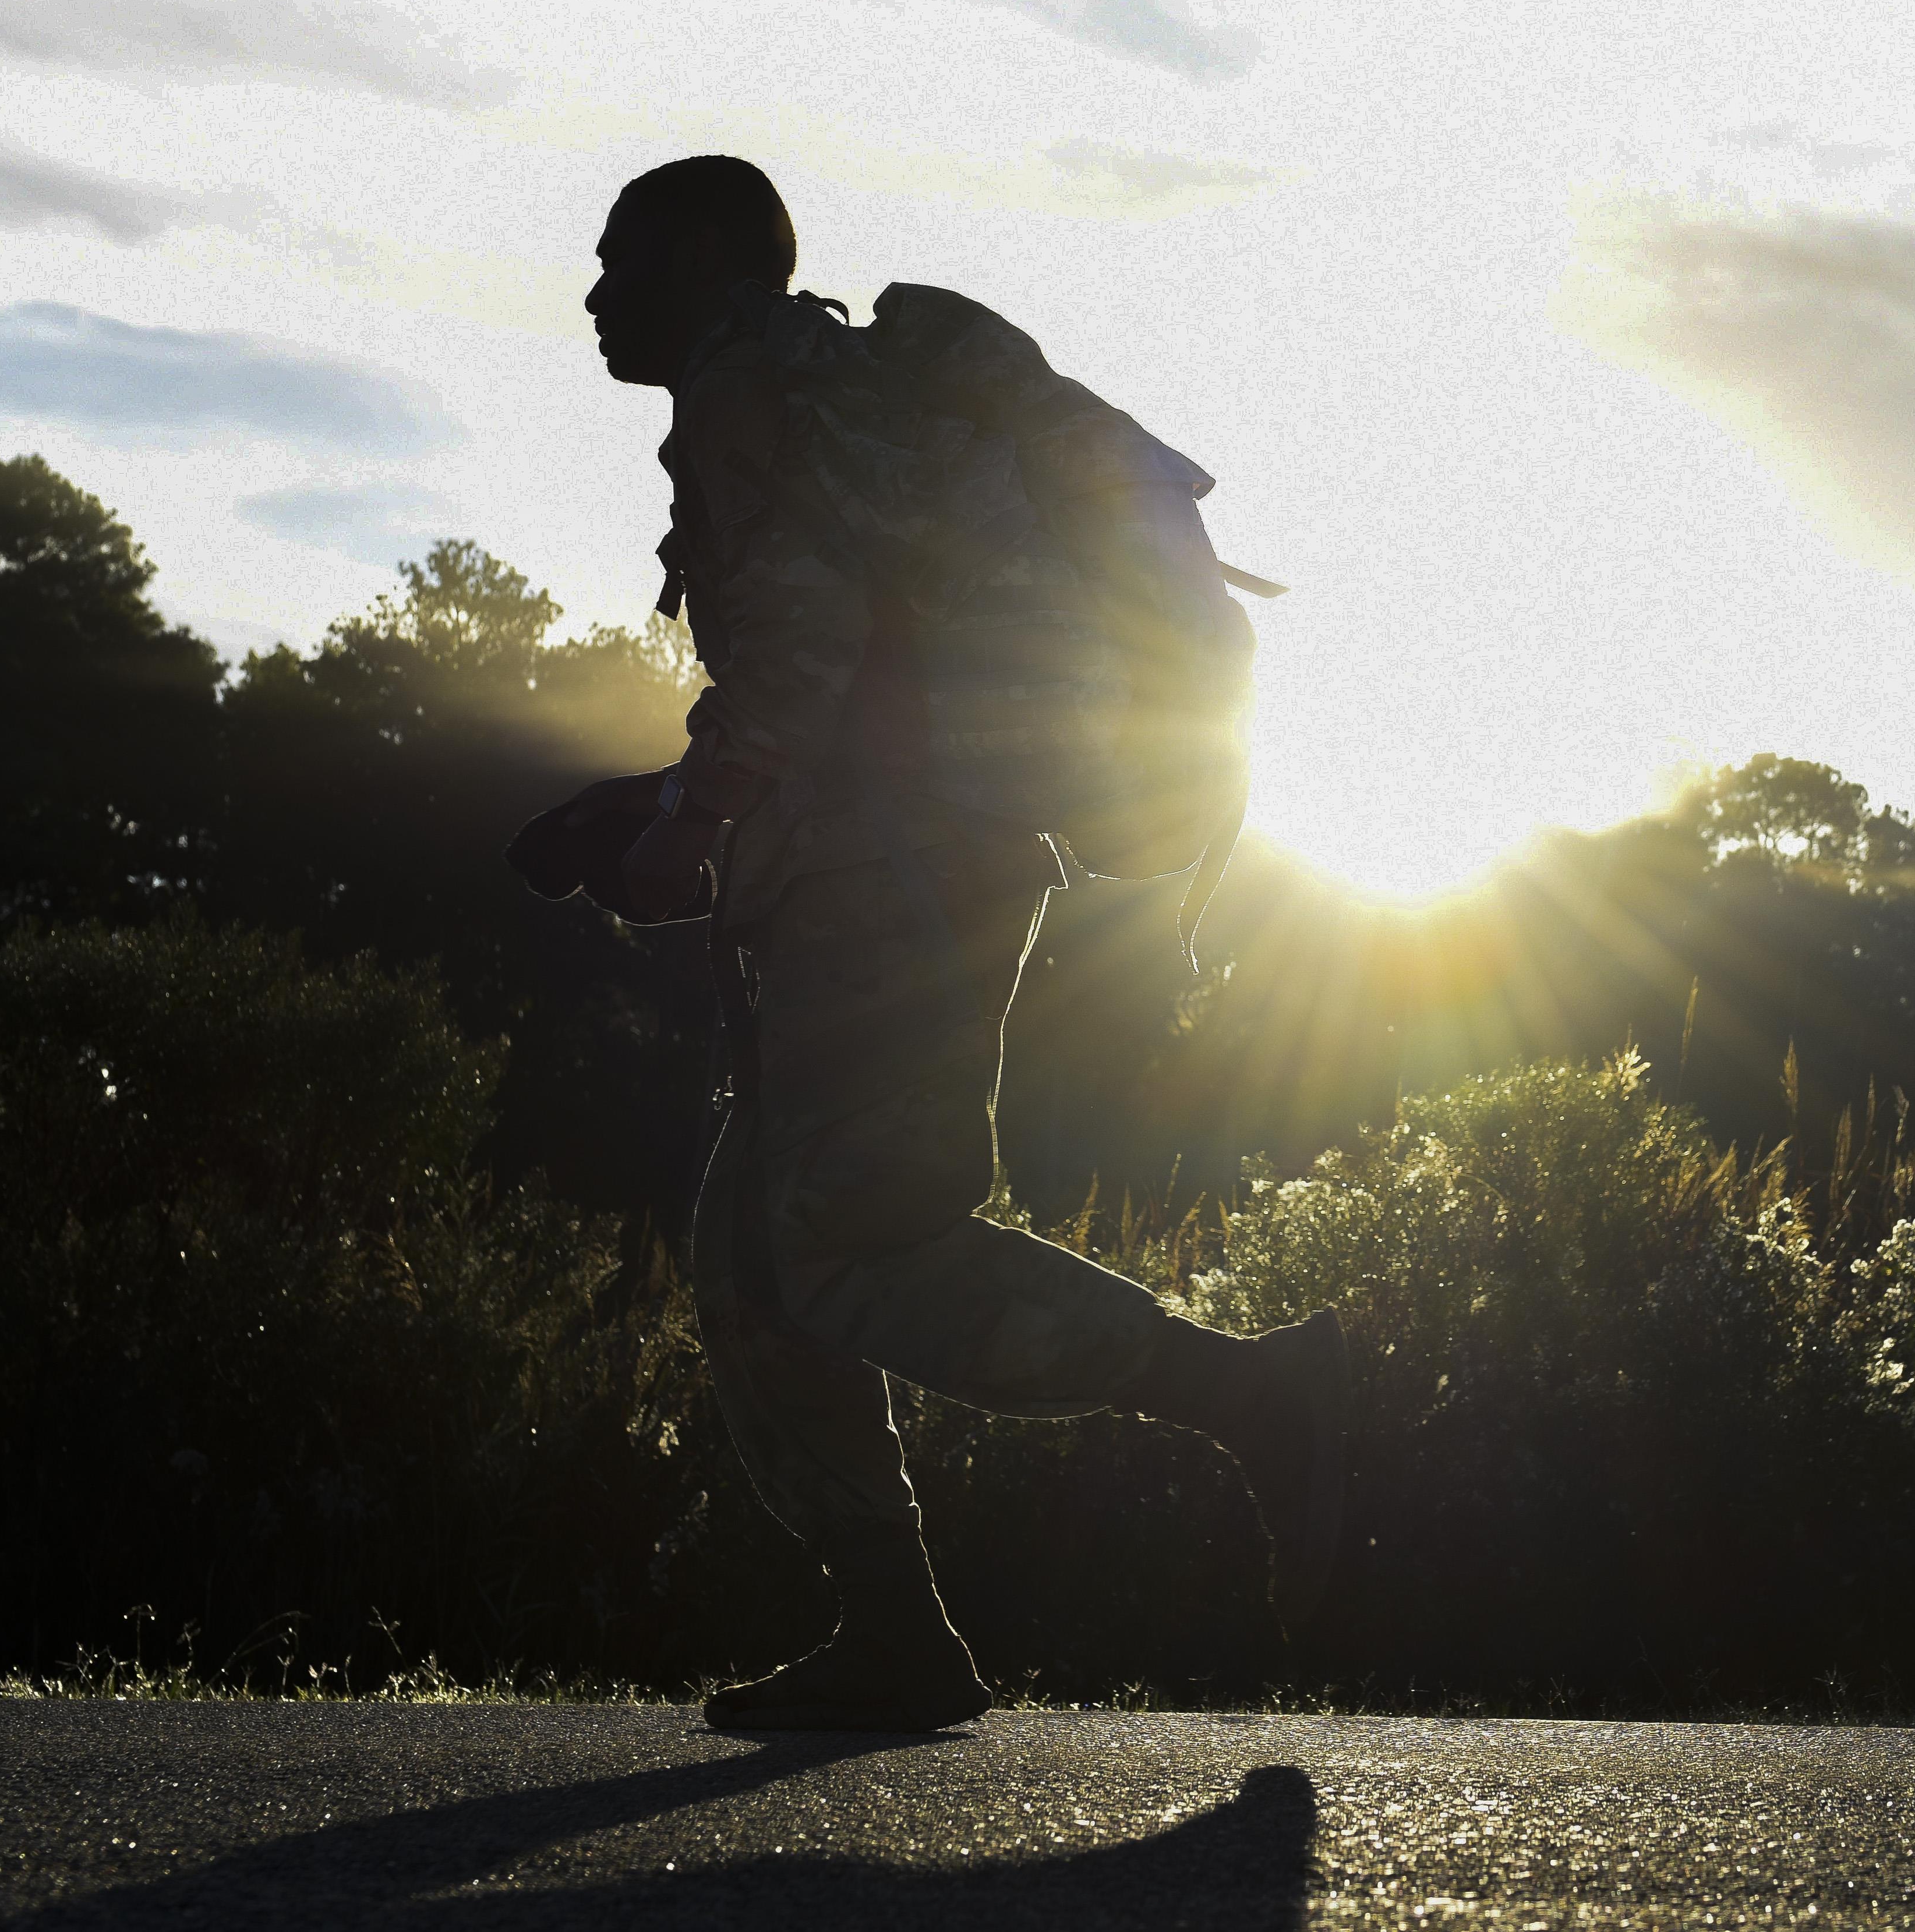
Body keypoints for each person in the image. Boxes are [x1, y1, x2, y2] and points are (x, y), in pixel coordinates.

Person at [521, 154, 1345, 1735]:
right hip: (890, 862)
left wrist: (683, 820)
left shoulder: (745, 390)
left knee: (845, 1242)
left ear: (704, 261)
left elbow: (807, 657)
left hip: (893, 881)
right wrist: (677, 816)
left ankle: (1254, 1394)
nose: (595, 294)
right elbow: (850, 686)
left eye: (621, 258)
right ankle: (894, 1629)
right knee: (760, 1261)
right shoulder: (831, 390)